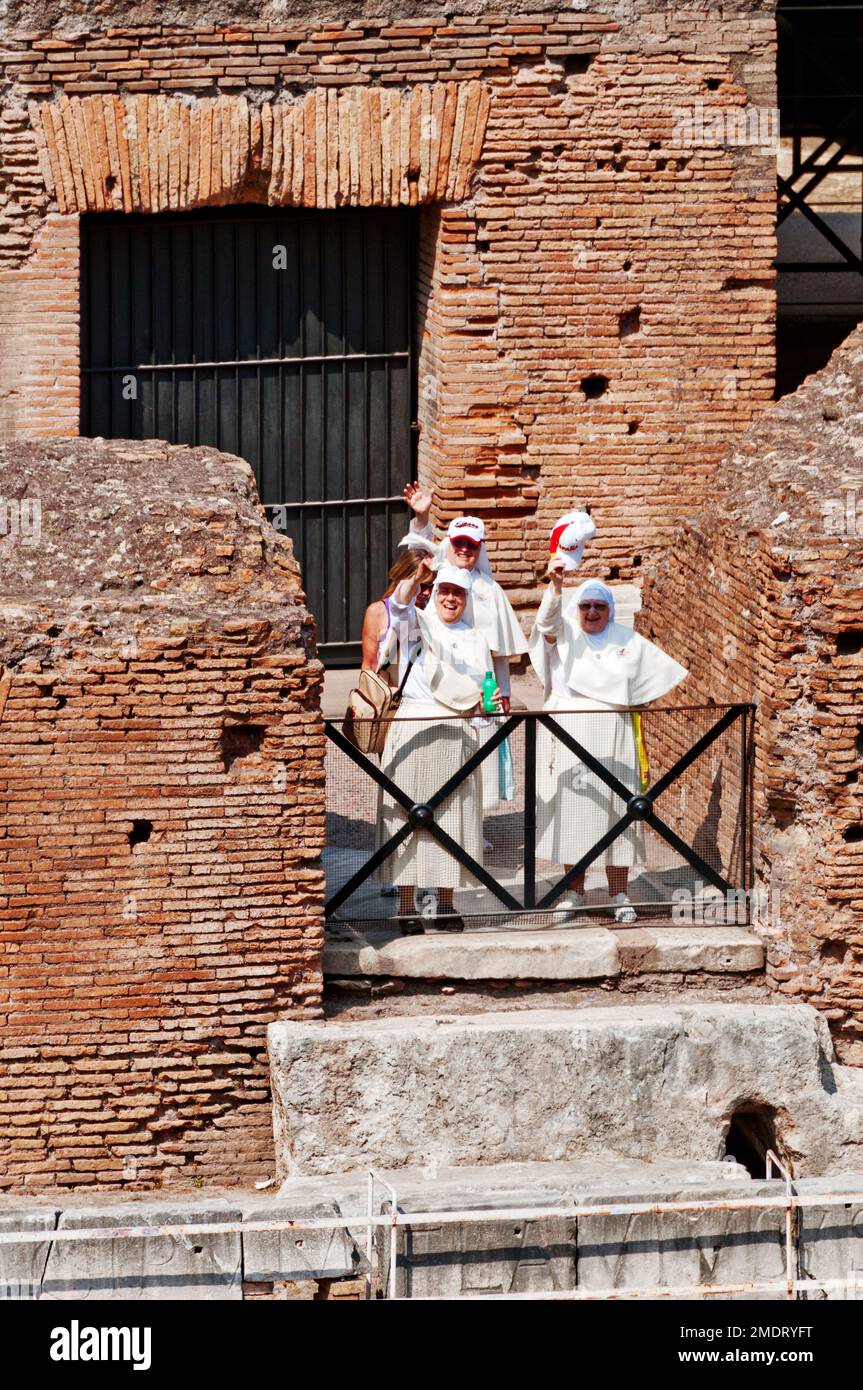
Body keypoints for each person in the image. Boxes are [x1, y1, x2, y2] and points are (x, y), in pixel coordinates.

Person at [529, 565, 688, 923]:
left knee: (620, 812)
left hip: (615, 735)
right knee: (576, 814)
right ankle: (573, 892)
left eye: (599, 607)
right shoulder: (566, 633)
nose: (591, 613)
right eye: (585, 606)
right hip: (574, 731)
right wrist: (555, 586)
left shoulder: (626, 641)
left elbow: (649, 684)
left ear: (609, 610)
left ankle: (619, 892)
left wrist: (634, 698)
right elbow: (545, 623)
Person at [377, 559, 502, 934]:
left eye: (458, 593)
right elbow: (397, 607)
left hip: (457, 732)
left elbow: (483, 694)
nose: (451, 599)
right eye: (445, 591)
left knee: (452, 819)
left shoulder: (477, 638)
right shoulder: (418, 624)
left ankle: (445, 904)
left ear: (466, 599)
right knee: (407, 818)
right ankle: (406, 905)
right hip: (415, 728)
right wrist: (416, 577)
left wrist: (486, 705)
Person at [360, 550, 433, 677]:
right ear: (402, 580)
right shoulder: (377, 612)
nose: (427, 593)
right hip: (391, 692)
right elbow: (369, 666)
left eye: (431, 586)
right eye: (422, 585)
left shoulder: (432, 612)